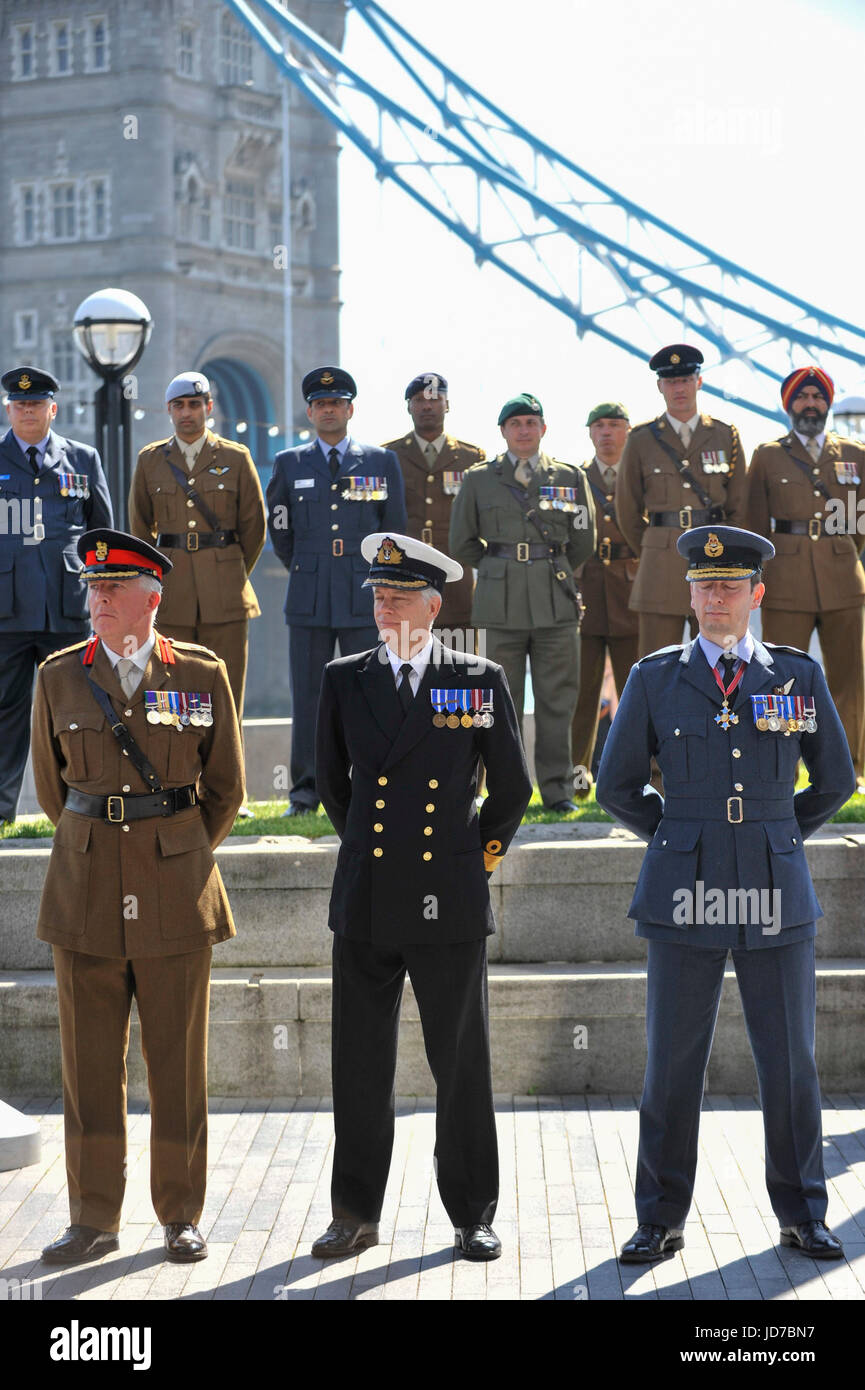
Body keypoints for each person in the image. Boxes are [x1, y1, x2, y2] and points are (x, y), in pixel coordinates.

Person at [596, 525, 853, 1264]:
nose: (716, 597)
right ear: (688, 596)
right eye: (704, 586)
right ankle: (659, 1217)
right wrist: (676, 832)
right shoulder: (653, 677)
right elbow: (616, 787)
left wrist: (779, 833)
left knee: (790, 1063)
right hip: (684, 887)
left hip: (775, 887)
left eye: (730, 585)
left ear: (755, 595)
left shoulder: (794, 676)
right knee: (672, 1063)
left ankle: (802, 1213)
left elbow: (833, 780)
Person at [312, 532, 531, 1261]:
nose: (384, 606)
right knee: (360, 1063)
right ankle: (354, 1214)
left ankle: (472, 1210)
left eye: (399, 596)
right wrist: (378, 857)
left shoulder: (476, 676)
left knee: (461, 1062)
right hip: (368, 896)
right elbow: (333, 787)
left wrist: (476, 862)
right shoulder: (345, 677)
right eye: (378, 595)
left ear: (432, 607)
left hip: (450, 895)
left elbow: (512, 786)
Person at [33, 530, 244, 1266]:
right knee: (88, 1068)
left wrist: (173, 851)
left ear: (149, 600)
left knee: (176, 1064)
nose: (94, 602)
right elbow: (54, 792)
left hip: (174, 890)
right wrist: (106, 846)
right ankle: (93, 1218)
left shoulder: (200, 672)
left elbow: (226, 789)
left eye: (109, 590)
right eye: (92, 590)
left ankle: (180, 1214)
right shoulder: (59, 676)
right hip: (85, 890)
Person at [266, 367, 407, 816]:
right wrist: (307, 567)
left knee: (369, 692)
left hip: (364, 592)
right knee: (308, 697)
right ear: (310, 411)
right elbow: (280, 527)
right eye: (320, 403)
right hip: (308, 594)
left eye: (337, 403)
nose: (329, 410)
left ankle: (370, 787)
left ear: (350, 409)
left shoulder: (381, 461)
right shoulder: (289, 462)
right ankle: (305, 793)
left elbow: (394, 528)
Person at [449, 392, 595, 811]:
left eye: (532, 423)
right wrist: (499, 568)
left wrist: (546, 566)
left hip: (556, 604)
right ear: (503, 432)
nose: (524, 430)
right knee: (497, 702)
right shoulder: (478, 479)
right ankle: (506, 791)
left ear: (543, 429)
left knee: (557, 701)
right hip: (498, 606)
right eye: (516, 424)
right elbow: (462, 542)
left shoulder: (569, 477)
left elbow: (583, 541)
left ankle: (557, 792)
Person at [0, 365, 112, 824]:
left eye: (36, 404)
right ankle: (2, 807)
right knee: (5, 712)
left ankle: (77, 803)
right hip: (6, 611)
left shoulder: (82, 459)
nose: (28, 411)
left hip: (66, 607)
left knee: (75, 710)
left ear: (53, 408)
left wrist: (104, 594)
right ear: (9, 409)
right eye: (19, 404)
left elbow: (101, 533)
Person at [745, 365, 865, 786]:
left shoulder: (855, 453)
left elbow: (861, 520)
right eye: (801, 397)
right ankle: (784, 769)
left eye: (817, 397)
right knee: (782, 678)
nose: (810, 404)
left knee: (850, 678)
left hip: (843, 578)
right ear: (788, 405)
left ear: (828, 404)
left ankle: (848, 771)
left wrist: (842, 550)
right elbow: (754, 525)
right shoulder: (767, 455)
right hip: (786, 580)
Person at [128, 371, 266, 728]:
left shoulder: (236, 458)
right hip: (172, 596)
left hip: (227, 597)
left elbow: (255, 528)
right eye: (179, 406)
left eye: (194, 404)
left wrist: (229, 569)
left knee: (226, 696)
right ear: (168, 411)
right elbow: (140, 530)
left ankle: (228, 784)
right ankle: (182, 782)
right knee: (173, 699)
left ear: (209, 408)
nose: (186, 412)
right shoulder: (150, 460)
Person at [616, 344, 748, 658]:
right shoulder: (640, 440)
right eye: (671, 381)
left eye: (686, 379)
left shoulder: (724, 435)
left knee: (721, 662)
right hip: (659, 567)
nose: (679, 388)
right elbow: (627, 510)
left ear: (698, 382)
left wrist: (728, 555)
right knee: (658, 666)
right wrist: (654, 547)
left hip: (715, 564)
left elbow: (739, 506)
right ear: (660, 386)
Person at [382, 371, 484, 642]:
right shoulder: (388, 457)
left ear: (447, 405)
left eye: (435, 399)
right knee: (407, 666)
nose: (427, 405)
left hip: (457, 582)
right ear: (408, 407)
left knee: (462, 671)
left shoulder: (471, 458)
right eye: (419, 399)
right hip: (406, 579)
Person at [571, 402, 638, 798]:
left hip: (632, 592)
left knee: (638, 693)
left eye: (614, 425)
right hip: (588, 593)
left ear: (628, 431)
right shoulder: (575, 478)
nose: (607, 432)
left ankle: (642, 780)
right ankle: (577, 784)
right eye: (599, 426)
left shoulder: (640, 477)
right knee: (581, 695)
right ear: (590, 433)